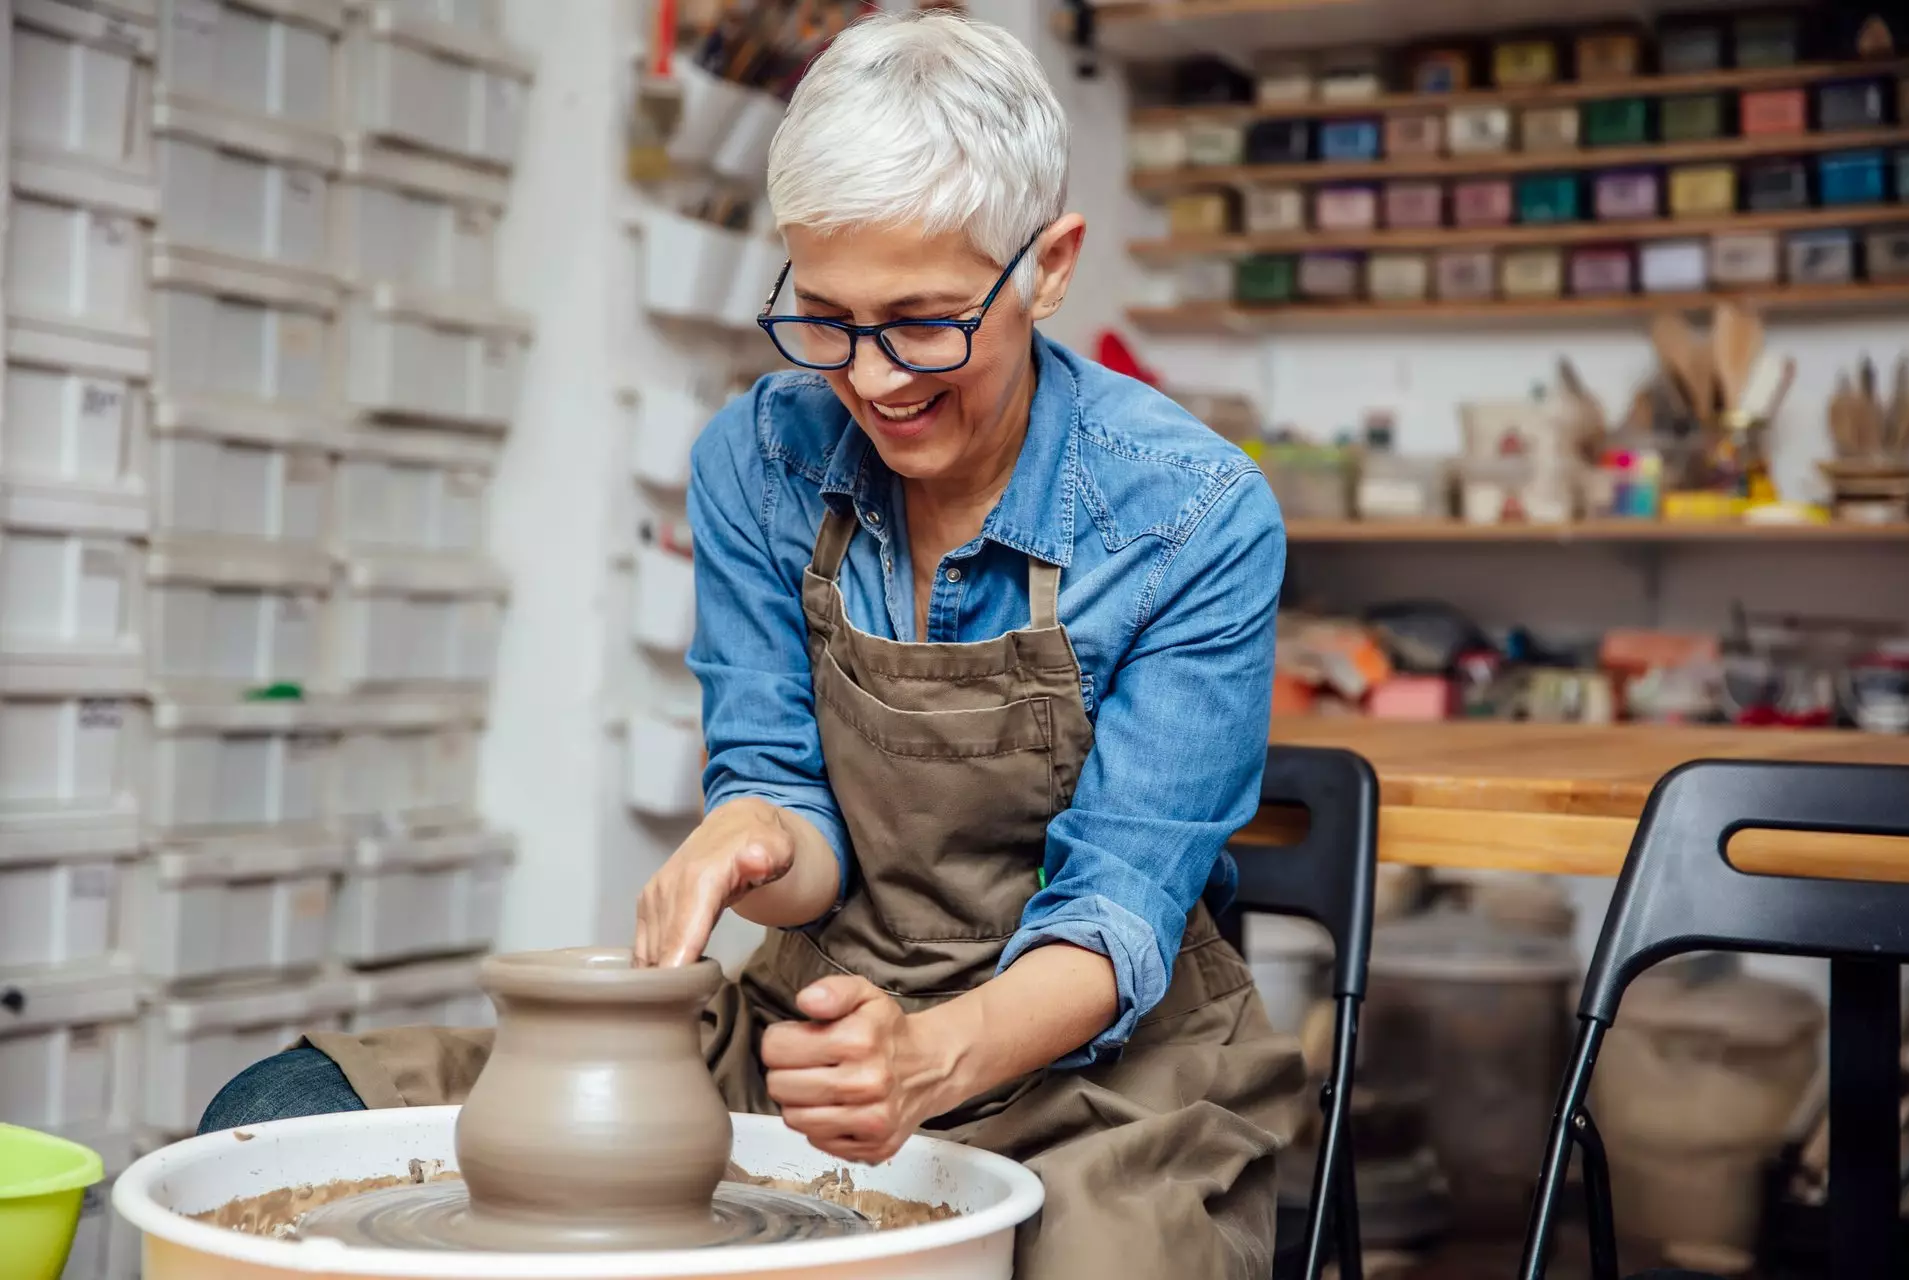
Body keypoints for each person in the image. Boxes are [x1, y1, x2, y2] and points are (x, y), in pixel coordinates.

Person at [197, 11, 1301, 1274]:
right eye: (825, 317)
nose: (873, 379)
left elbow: (1117, 914)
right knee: (276, 1120)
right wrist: (752, 835)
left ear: (1050, 268)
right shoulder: (761, 458)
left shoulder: (1194, 513)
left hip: (1100, 1068)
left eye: (923, 321)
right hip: (807, 1023)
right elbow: (796, 819)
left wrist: (928, 1057)